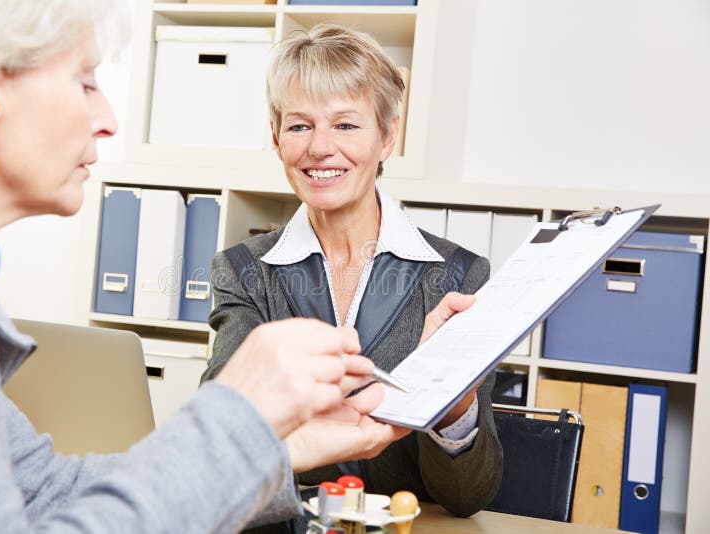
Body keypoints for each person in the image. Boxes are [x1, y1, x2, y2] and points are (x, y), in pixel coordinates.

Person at [0, 2, 409, 532]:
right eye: (85, 82)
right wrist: (240, 414)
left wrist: (276, 448)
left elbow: (46, 492)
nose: (108, 121)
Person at [202, 23, 503, 532]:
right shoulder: (243, 272)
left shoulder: (457, 275)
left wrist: (449, 405)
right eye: (299, 126)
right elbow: (219, 441)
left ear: (387, 136)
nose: (320, 148)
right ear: (277, 140)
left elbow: (468, 495)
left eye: (345, 125)